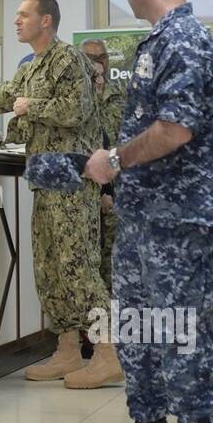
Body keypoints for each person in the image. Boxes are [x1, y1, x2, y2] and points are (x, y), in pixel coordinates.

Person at [84, 0, 213, 423]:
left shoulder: (186, 42)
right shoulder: (159, 41)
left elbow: (174, 130)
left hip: (179, 215)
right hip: (144, 213)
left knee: (179, 328)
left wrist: (114, 160)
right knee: (137, 323)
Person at [0, 0, 113, 387]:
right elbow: (5, 95)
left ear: (46, 20)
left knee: (78, 265)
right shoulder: (33, 64)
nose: (16, 21)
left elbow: (76, 110)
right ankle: (67, 350)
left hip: (71, 176)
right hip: (45, 174)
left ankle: (107, 352)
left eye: (23, 15)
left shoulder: (69, 59)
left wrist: (28, 107)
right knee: (51, 266)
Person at [80, 39, 125, 300]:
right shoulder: (75, 96)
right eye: (90, 57)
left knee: (115, 260)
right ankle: (91, 329)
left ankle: (113, 325)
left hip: (120, 188)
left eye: (102, 57)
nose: (97, 62)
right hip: (85, 189)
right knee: (87, 260)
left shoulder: (121, 93)